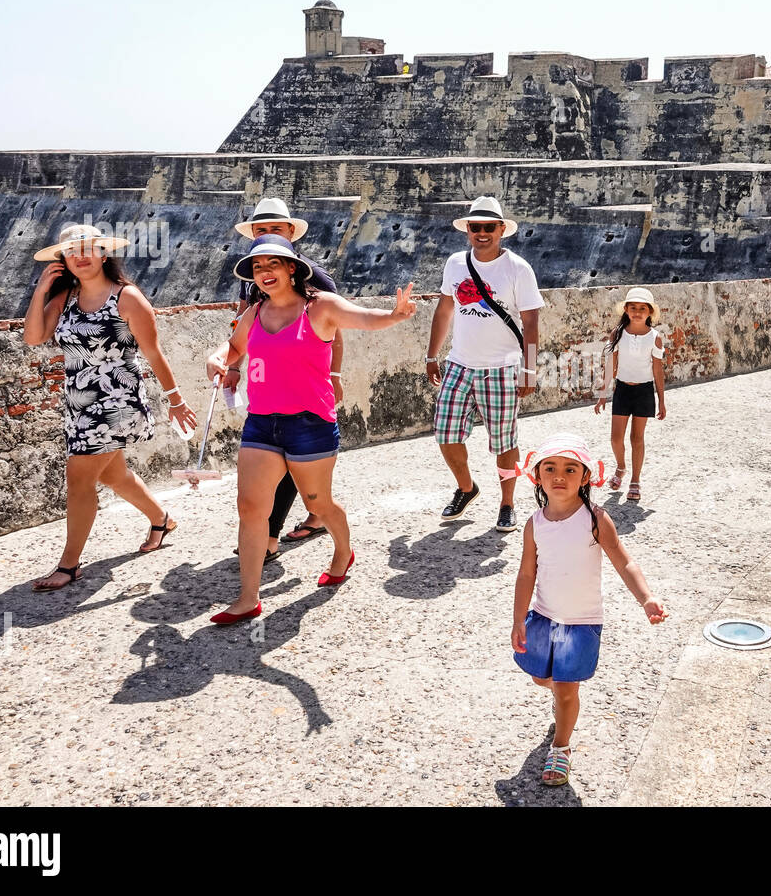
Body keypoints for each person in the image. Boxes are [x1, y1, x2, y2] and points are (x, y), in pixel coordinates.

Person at [209, 234, 416, 624]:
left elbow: (363, 318)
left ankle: (343, 550)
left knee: (318, 503)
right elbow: (233, 348)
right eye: (257, 267)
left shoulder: (319, 308)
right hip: (262, 423)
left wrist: (394, 315)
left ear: (292, 268)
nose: (264, 272)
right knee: (251, 507)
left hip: (310, 424)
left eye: (273, 264)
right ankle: (248, 597)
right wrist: (217, 358)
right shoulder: (255, 312)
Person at [22, 225, 198, 590]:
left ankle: (69, 565)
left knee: (80, 480)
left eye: (88, 249)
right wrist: (41, 289)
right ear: (63, 261)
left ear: (104, 254)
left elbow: (153, 352)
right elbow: (34, 337)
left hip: (116, 402)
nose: (81, 256)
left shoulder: (127, 297)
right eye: (72, 251)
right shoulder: (65, 296)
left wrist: (176, 400)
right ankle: (161, 520)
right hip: (79, 402)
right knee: (113, 474)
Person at [510, 434, 667, 787]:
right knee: (542, 679)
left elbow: (623, 562)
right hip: (543, 617)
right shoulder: (534, 523)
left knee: (567, 690)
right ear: (537, 476)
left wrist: (647, 598)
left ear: (585, 477)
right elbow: (526, 573)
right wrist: (519, 618)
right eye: (549, 468)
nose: (559, 475)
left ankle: (560, 748)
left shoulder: (595, 518)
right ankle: (561, 705)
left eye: (570, 468)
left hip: (581, 623)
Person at [206, 198, 342, 561]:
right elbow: (244, 321)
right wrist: (231, 364)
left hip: (307, 388)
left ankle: (272, 534)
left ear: (290, 234)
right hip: (269, 387)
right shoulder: (255, 277)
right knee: (278, 461)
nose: (266, 235)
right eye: (260, 230)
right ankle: (295, 523)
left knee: (291, 462)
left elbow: (334, 327)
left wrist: (335, 374)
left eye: (275, 229)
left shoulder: (312, 276)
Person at [425, 196, 544, 533]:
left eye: (488, 227)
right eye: (475, 227)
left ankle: (507, 503)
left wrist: (530, 369)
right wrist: (432, 355)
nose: (481, 233)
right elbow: (445, 310)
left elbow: (531, 322)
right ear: (468, 231)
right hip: (460, 364)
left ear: (501, 230)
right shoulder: (455, 264)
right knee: (446, 434)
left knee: (504, 441)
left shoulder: (518, 269)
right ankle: (466, 488)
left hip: (502, 367)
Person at [594, 287, 666, 502]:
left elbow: (658, 370)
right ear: (625, 310)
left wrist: (661, 400)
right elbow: (611, 364)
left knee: (637, 438)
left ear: (650, 312)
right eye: (632, 307)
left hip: (644, 391)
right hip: (622, 390)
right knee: (616, 438)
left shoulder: (655, 337)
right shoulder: (617, 334)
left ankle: (635, 480)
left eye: (642, 308)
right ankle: (621, 467)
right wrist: (603, 394)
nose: (637, 311)